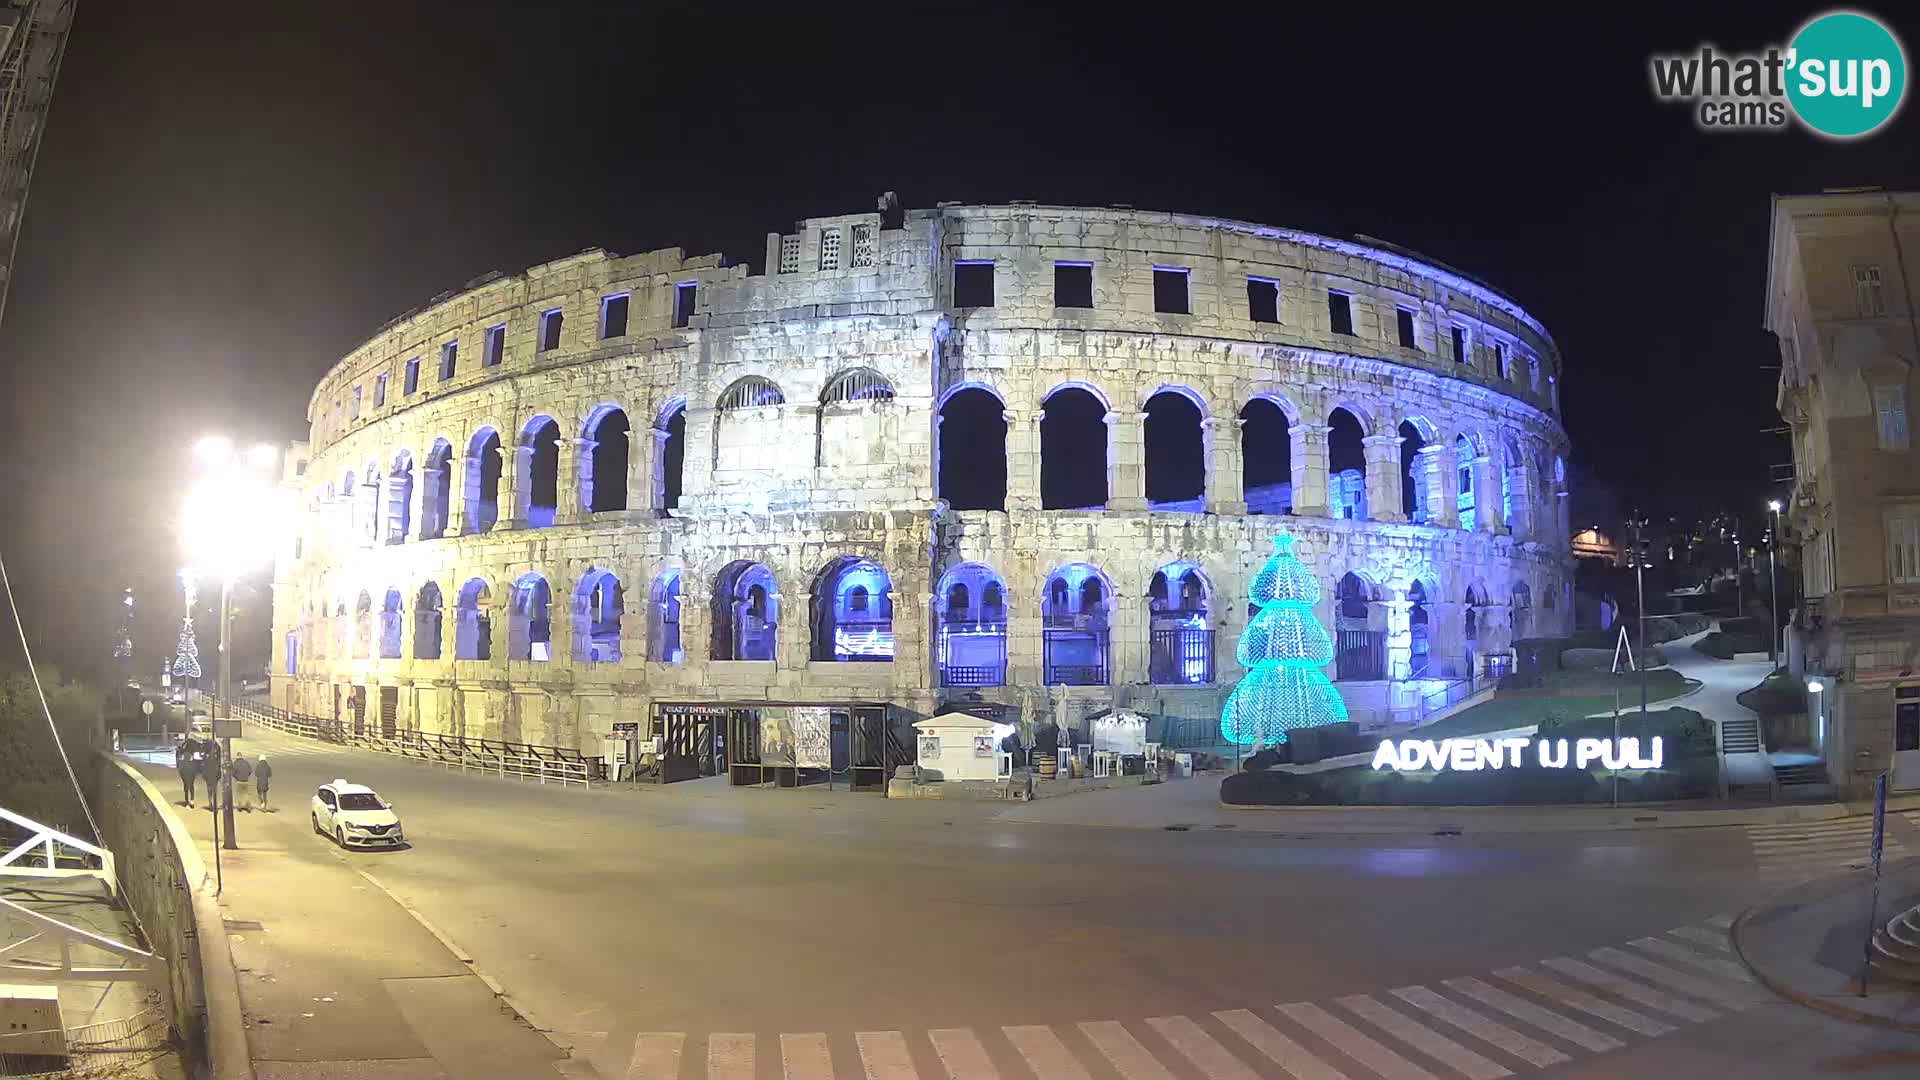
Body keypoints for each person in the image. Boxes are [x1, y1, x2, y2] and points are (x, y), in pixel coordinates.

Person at [200, 739, 224, 811]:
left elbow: (204, 770)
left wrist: (204, 777)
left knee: (209, 792)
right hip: (214, 779)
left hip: (209, 779)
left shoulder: (206, 761)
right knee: (214, 792)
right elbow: (218, 771)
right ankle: (214, 804)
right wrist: (218, 777)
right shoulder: (216, 762)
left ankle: (210, 803)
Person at [175, 736, 197, 807]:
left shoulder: (181, 751)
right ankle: (192, 800)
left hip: (184, 771)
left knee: (186, 785)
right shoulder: (193, 752)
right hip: (191, 771)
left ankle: (187, 800)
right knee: (191, 785)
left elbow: (178, 762)